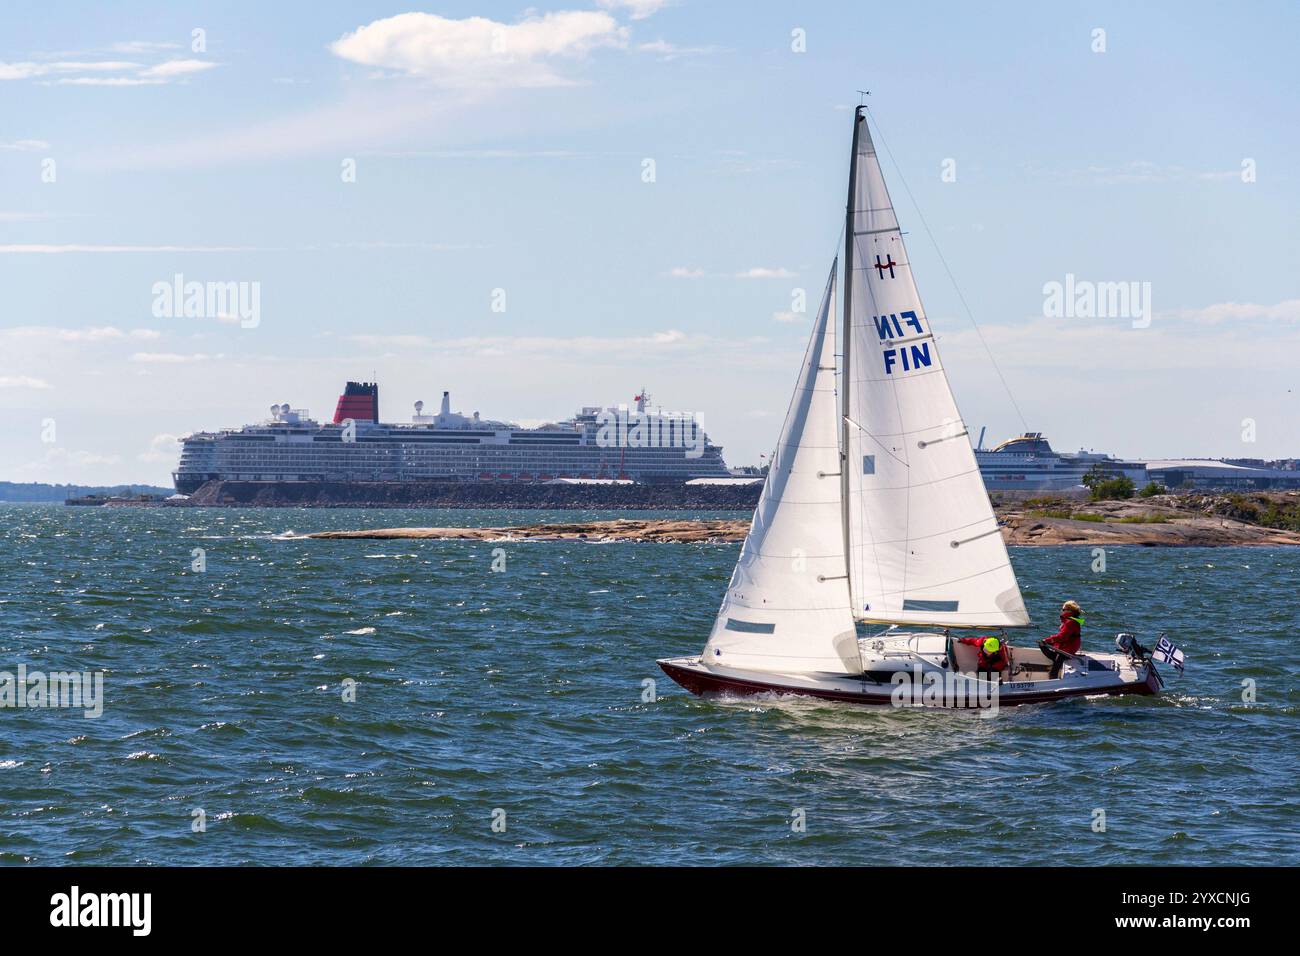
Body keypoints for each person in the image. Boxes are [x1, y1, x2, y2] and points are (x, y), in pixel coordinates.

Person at [1039, 600, 1084, 679]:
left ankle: (1053, 677)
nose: (1061, 611)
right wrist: (1048, 640)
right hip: (1068, 645)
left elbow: (1062, 637)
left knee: (1058, 656)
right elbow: (1063, 637)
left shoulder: (1070, 622)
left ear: (1069, 610)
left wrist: (1048, 640)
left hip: (1069, 647)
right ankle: (1055, 663)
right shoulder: (1070, 620)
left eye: (1063, 610)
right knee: (1043, 645)